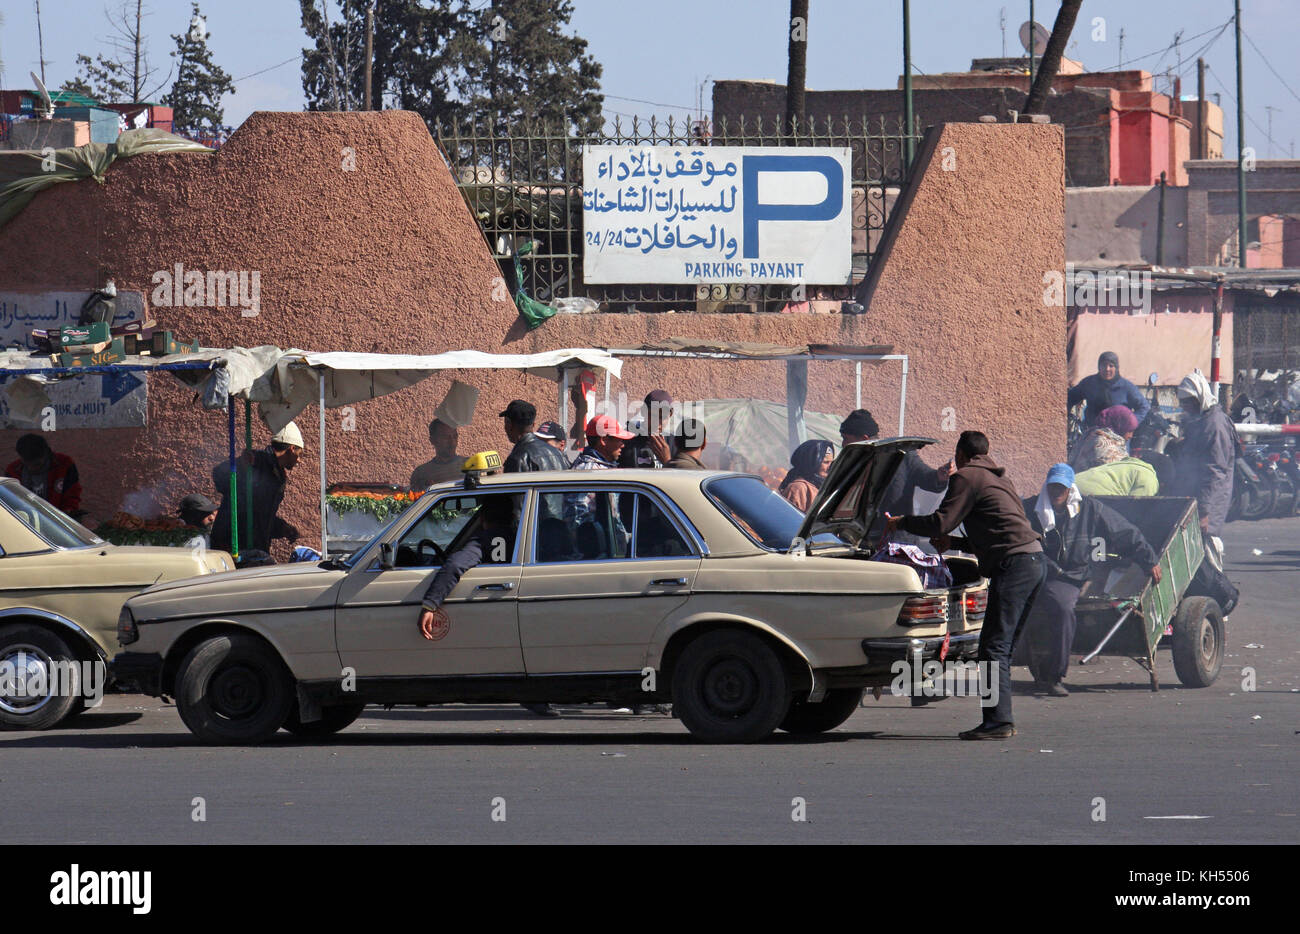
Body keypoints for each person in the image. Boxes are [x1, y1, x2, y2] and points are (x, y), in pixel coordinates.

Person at [885, 431, 1045, 740]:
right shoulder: (999, 479)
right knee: (1002, 647)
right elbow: (997, 533)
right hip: (1035, 562)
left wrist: (901, 522)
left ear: (960, 454)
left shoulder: (967, 477)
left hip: (1015, 566)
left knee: (993, 647)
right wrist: (955, 542)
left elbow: (940, 522)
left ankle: (998, 722)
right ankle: (1002, 719)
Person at [1020, 464, 1161, 696]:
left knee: (1063, 608)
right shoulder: (1030, 510)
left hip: (1067, 577)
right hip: (1034, 571)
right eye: (1053, 486)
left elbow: (1125, 532)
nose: (1056, 492)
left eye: (1061, 488)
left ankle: (1055, 676)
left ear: (1070, 489)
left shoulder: (1089, 509)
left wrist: (1149, 560)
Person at [210, 422, 304, 558]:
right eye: (299, 454)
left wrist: (282, 528)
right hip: (232, 545)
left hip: (256, 546)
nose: (299, 460)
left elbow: (260, 514)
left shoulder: (278, 474)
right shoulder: (256, 460)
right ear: (291, 448)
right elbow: (219, 475)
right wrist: (240, 465)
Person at [1169, 370, 1235, 538]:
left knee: (1207, 549)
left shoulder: (1215, 425)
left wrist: (1205, 512)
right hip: (1196, 497)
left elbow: (1214, 472)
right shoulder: (1201, 420)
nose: (1186, 406)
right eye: (1183, 402)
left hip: (1209, 503)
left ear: (1200, 398)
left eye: (1189, 402)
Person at [1067, 351, 1150, 427]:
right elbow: (1070, 397)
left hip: (1117, 435)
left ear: (1116, 368)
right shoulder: (1089, 383)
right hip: (1092, 432)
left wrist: (1130, 423)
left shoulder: (1127, 387)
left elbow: (1144, 406)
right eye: (1103, 365)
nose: (1107, 369)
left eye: (1111, 366)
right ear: (1099, 367)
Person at [6, 434, 82, 515]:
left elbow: (72, 495)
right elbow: (8, 500)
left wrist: (67, 513)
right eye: (27, 464)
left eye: (37, 464)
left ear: (46, 454)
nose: (32, 469)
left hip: (58, 519)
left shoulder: (64, 464)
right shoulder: (12, 471)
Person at [500, 401, 569, 473]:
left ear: (509, 424)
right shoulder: (558, 453)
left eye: (506, 423)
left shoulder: (518, 458)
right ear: (533, 425)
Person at [1069, 404, 1138, 472]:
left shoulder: (1094, 434)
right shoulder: (1102, 443)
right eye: (1129, 431)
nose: (1130, 436)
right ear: (1119, 425)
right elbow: (1119, 473)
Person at [620, 389, 675, 468]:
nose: (657, 422)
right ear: (643, 411)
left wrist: (667, 461)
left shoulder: (673, 442)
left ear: (670, 415)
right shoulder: (626, 440)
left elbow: (682, 476)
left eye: (662, 417)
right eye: (653, 415)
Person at [779, 439, 835, 512]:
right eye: (826, 462)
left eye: (831, 462)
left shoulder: (822, 487)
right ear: (811, 462)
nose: (830, 467)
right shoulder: (798, 488)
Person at [409, 418, 464, 489]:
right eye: (445, 437)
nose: (452, 442)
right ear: (432, 440)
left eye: (454, 436)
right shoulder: (421, 473)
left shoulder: (470, 467)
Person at [1074, 455, 1159, 497]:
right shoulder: (1149, 478)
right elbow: (1135, 509)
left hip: (1069, 487)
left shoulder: (1124, 465)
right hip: (1086, 497)